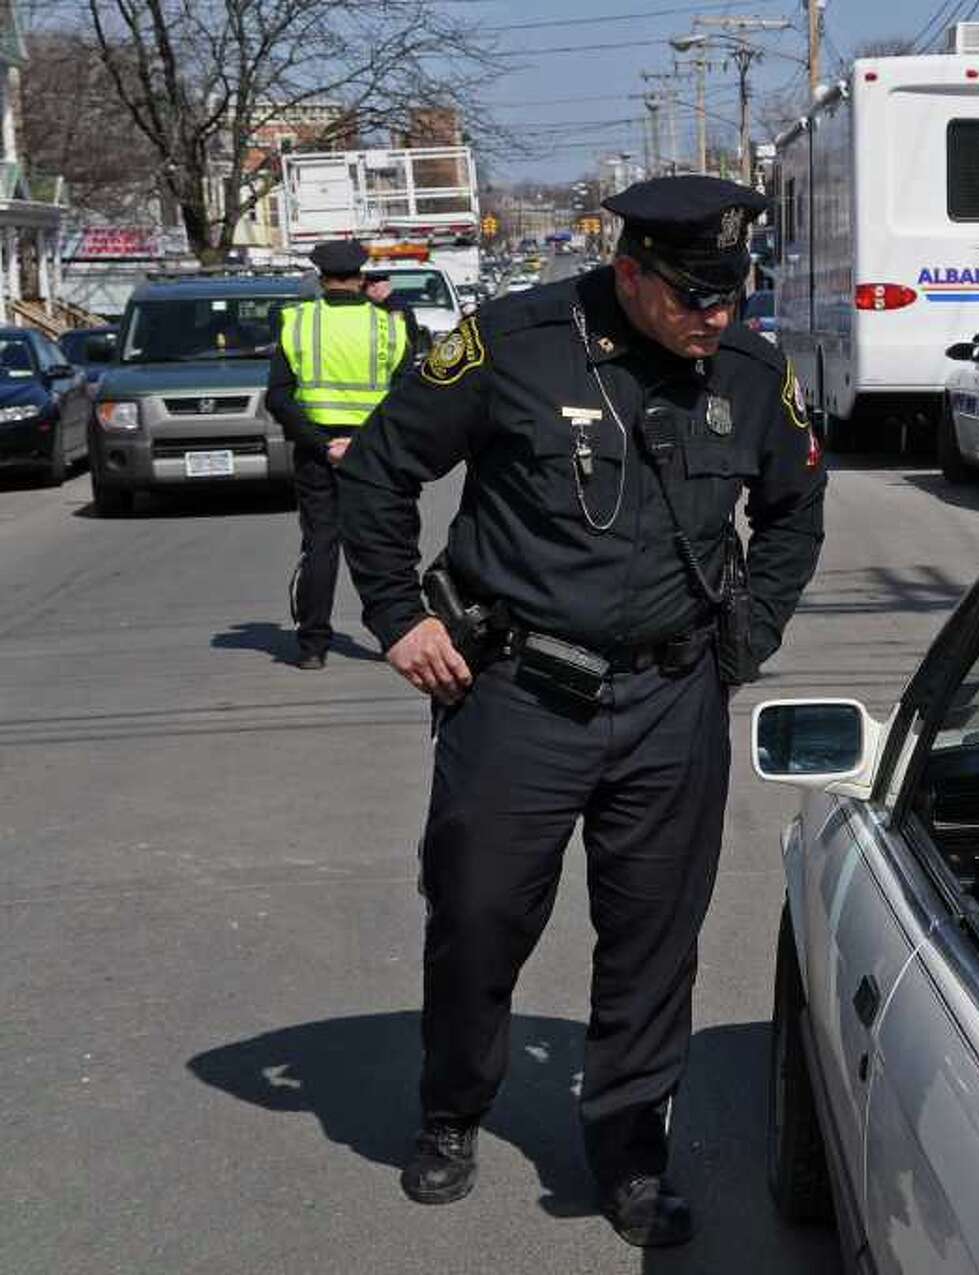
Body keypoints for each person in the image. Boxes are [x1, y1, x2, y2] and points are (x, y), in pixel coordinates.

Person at [335, 174, 826, 1248]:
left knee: (654, 938)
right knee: (477, 916)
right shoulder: (515, 344)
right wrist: (397, 618)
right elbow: (376, 472)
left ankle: (630, 1151)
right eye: (695, 295)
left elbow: (795, 512)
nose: (717, 317)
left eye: (732, 293)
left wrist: (749, 639)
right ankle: (453, 1110)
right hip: (519, 694)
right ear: (631, 272)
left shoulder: (750, 370)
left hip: (672, 698)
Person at [266, 239, 415, 670]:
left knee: (321, 544)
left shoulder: (298, 322)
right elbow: (405, 397)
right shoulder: (389, 326)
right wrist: (361, 444)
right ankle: (395, 635)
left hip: (317, 451)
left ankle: (313, 645)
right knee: (383, 546)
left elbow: (279, 397)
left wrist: (321, 444)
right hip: (373, 453)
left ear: (320, 278)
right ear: (362, 278)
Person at [363, 269, 424, 359]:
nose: (364, 293)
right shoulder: (394, 303)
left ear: (373, 287)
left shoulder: (395, 307)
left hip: (397, 358)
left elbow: (394, 336)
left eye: (364, 288)